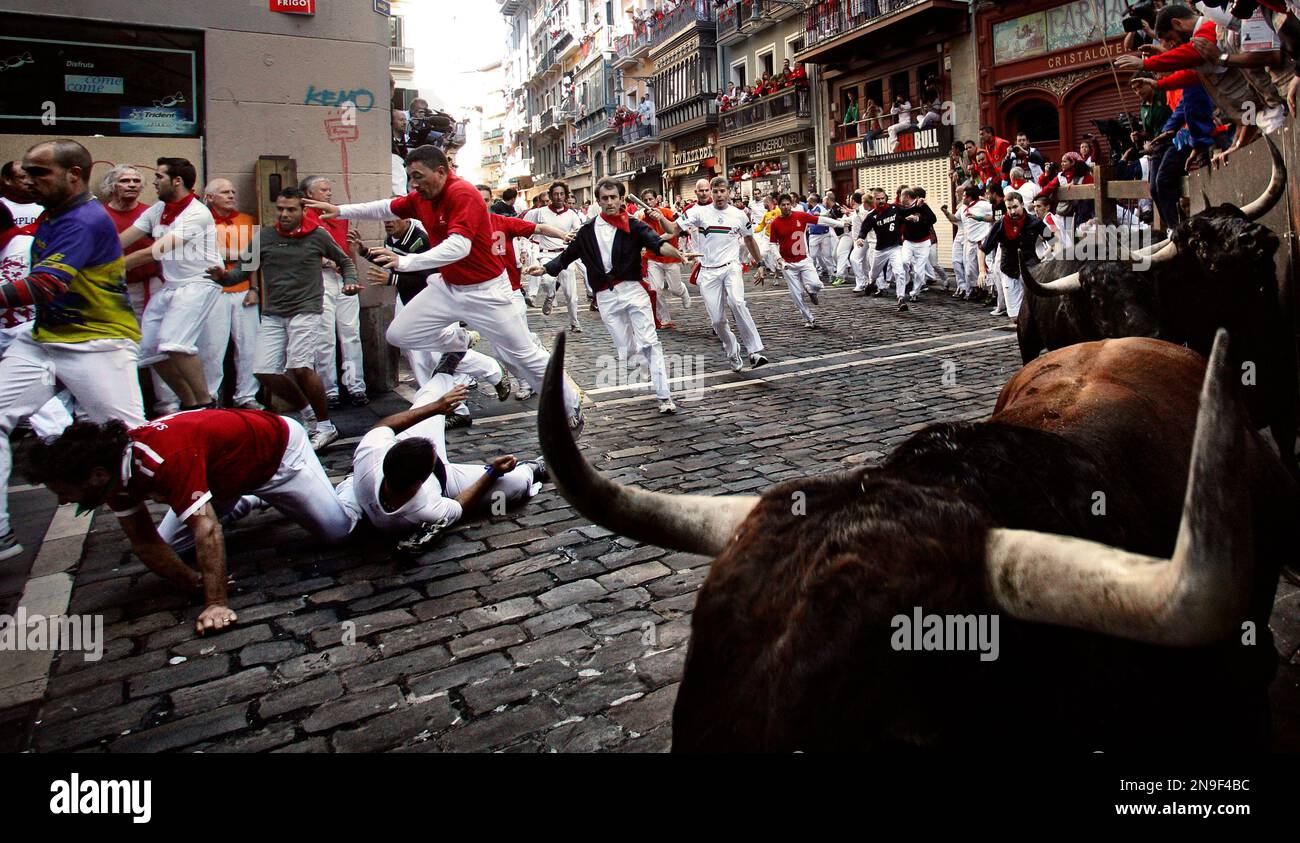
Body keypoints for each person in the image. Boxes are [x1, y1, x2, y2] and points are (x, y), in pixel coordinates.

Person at [304, 144, 585, 433]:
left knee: (524, 356)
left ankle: (570, 401)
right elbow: (385, 207)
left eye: (418, 176)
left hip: (487, 292)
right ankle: (460, 341)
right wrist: (338, 211)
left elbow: (458, 247)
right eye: (409, 177)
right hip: (449, 287)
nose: (413, 184)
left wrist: (405, 261)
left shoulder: (463, 193)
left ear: (440, 171)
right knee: (400, 334)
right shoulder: (422, 195)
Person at [22, 409, 359, 635]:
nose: (64, 501)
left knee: (338, 531)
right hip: (221, 477)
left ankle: (350, 485)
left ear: (96, 476)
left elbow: (206, 529)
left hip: (277, 455)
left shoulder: (162, 460)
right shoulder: (112, 475)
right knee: (170, 550)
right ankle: (245, 502)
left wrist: (216, 602)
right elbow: (145, 542)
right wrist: (190, 579)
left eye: (65, 492)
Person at [0, 139, 147, 562]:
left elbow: (46, 283)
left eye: (39, 172)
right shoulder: (53, 213)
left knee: (134, 446)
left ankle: (205, 510)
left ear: (73, 175)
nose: (28, 179)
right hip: (43, 339)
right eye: (25, 170)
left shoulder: (82, 219)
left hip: (98, 345)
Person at [206, 187, 357, 451]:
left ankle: (324, 425)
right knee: (263, 370)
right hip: (274, 312)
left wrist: (350, 283)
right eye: (280, 209)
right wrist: (222, 276)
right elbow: (243, 270)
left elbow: (345, 262)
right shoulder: (264, 236)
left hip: (306, 309)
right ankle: (308, 415)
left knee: (299, 366)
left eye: (291, 209)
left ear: (303, 211)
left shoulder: (317, 235)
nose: (284, 214)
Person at [527, 179, 686, 414]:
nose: (610, 202)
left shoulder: (634, 225)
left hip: (633, 290)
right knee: (627, 351)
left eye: (614, 197)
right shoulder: (588, 230)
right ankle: (646, 369)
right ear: (599, 200)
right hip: (606, 296)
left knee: (650, 342)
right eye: (605, 198)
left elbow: (656, 243)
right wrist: (545, 269)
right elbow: (568, 255)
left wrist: (677, 254)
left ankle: (664, 396)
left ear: (622, 199)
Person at [335, 377, 544, 549]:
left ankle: (445, 370)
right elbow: (460, 505)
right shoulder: (425, 509)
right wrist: (492, 473)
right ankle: (532, 467)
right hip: (445, 482)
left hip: (388, 470)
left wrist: (436, 408)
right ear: (422, 481)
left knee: (434, 395)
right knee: (516, 484)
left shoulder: (371, 454)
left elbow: (384, 426)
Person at [119, 158, 220, 411]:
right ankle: (190, 404)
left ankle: (207, 405)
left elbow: (154, 251)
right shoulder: (158, 209)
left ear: (177, 181)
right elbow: (123, 239)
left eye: (159, 176)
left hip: (200, 282)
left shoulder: (197, 213)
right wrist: (89, 256)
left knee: (175, 344)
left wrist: (107, 269)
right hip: (173, 285)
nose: (153, 181)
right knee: (150, 350)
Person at [100, 164, 176, 416]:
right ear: (112, 186)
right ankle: (122, 407)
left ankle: (168, 405)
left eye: (135, 181)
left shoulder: (152, 213)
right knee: (117, 346)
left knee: (157, 342)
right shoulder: (100, 215)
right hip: (113, 289)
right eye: (125, 181)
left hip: (151, 285)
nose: (132, 185)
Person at [678, 176, 769, 371]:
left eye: (722, 191)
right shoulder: (698, 212)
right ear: (711, 193)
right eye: (715, 191)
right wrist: (659, 219)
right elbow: (672, 229)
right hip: (708, 272)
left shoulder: (739, 215)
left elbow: (750, 240)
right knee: (718, 321)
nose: (719, 195)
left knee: (737, 302)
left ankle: (754, 352)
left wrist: (760, 263)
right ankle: (732, 350)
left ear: (729, 193)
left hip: (731, 266)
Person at [301, 176, 368, 407]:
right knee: (324, 336)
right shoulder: (304, 217)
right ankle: (329, 390)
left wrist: (353, 270)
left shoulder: (340, 216)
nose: (329, 193)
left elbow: (348, 252)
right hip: (320, 278)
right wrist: (325, 261)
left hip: (343, 276)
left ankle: (355, 385)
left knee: (351, 333)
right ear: (310, 195)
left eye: (330, 189)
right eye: (323, 190)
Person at [200, 179, 261, 410]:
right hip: (212, 292)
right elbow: (202, 255)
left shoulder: (248, 220)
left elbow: (254, 258)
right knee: (211, 348)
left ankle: (246, 395)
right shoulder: (199, 222)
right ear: (210, 197)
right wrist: (238, 254)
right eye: (225, 192)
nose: (231, 195)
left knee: (249, 347)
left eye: (233, 191)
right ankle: (209, 396)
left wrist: (254, 288)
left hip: (244, 290)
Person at [767, 193, 846, 329]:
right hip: (788, 264)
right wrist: (778, 258)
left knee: (817, 284)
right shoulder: (775, 223)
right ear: (778, 206)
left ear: (791, 204)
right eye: (783, 205)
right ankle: (809, 319)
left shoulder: (800, 216)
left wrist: (841, 223)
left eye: (788, 204)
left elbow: (821, 220)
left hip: (804, 260)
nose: (786, 207)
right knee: (797, 295)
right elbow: (772, 243)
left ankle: (812, 291)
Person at [522, 181, 586, 331]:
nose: (558, 197)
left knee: (571, 295)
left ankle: (575, 323)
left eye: (561, 194)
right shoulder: (539, 212)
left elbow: (578, 231)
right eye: (555, 194)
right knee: (546, 280)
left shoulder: (571, 214)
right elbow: (524, 226)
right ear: (551, 196)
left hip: (564, 255)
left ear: (565, 195)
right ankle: (550, 295)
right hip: (545, 254)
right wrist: (526, 245)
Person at [978, 191, 1047, 327]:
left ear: (1022, 205)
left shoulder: (1035, 222)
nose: (1012, 211)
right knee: (1015, 317)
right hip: (1009, 269)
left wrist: (1051, 252)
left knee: (1035, 309)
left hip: (1030, 270)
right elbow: (982, 249)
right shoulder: (1001, 224)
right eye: (1009, 208)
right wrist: (981, 271)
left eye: (1015, 207)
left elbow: (1054, 238)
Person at [636, 187, 691, 327]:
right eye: (645, 200)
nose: (649, 202)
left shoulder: (667, 212)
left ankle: (683, 291)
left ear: (656, 200)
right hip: (653, 258)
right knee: (656, 290)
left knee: (675, 289)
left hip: (671, 258)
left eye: (651, 199)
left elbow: (675, 231)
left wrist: (656, 239)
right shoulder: (642, 219)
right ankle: (665, 319)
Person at [860, 187, 909, 312]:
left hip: (895, 247)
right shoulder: (872, 216)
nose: (881, 201)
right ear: (874, 200)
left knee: (900, 271)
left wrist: (915, 213)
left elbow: (906, 212)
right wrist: (860, 238)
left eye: (883, 198)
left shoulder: (894, 208)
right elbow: (864, 229)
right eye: (878, 199)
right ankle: (871, 282)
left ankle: (901, 298)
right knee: (875, 272)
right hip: (881, 249)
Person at [898, 188, 938, 304]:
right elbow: (900, 218)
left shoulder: (923, 205)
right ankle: (905, 282)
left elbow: (932, 219)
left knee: (920, 270)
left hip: (923, 242)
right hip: (908, 241)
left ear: (907, 197)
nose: (900, 198)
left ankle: (915, 293)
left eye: (901, 196)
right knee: (904, 261)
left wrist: (918, 219)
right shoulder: (903, 208)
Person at [0, 161, 41, 228]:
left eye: (33, 176)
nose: (30, 181)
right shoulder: (1, 207)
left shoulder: (47, 207)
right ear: (7, 180)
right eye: (23, 177)